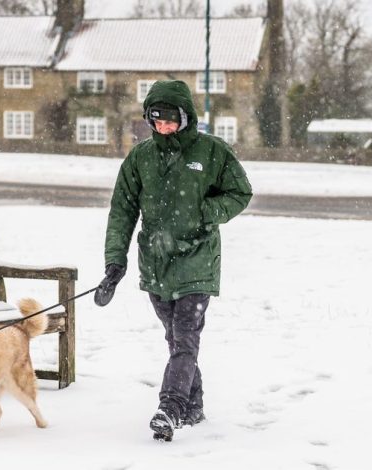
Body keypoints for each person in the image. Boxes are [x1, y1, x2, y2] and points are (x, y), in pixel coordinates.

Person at [94, 80, 252, 442]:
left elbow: (241, 193)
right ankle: (194, 405)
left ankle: (172, 407)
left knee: (185, 339)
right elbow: (122, 211)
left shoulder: (212, 152)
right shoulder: (141, 158)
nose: (163, 127)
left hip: (197, 259)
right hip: (156, 262)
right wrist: (114, 264)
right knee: (176, 338)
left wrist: (208, 210)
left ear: (185, 117)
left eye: (170, 120)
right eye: (156, 120)